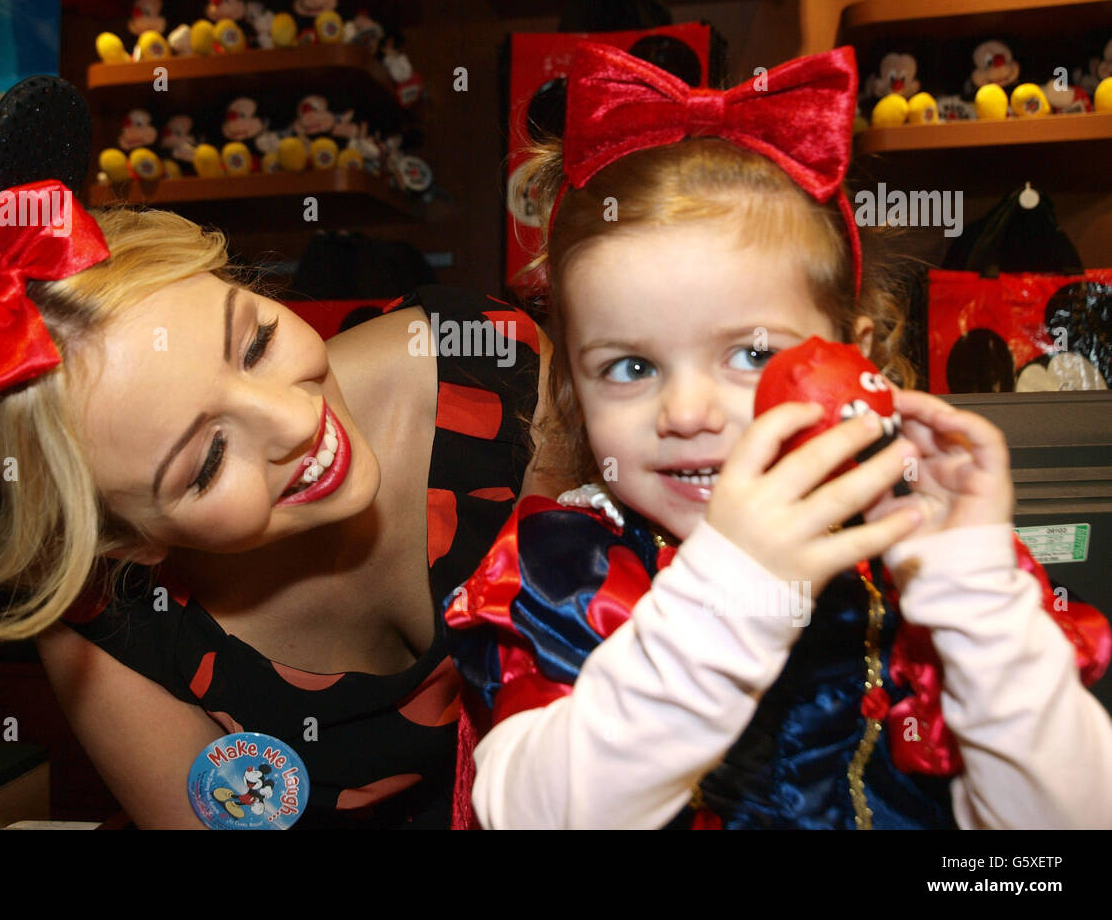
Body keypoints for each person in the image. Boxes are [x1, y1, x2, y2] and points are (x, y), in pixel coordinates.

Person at [0, 79, 564, 830]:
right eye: (207, 461)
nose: (295, 421)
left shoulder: (487, 374)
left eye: (254, 341)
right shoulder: (114, 639)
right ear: (126, 541)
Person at [445, 43, 1112, 829]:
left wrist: (972, 598)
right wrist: (728, 598)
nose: (686, 411)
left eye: (753, 353)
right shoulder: (562, 572)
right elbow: (529, 813)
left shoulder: (920, 565)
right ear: (572, 392)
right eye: (630, 365)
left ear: (857, 357)